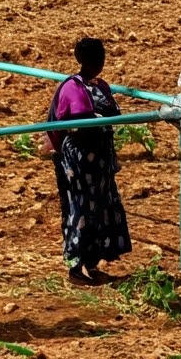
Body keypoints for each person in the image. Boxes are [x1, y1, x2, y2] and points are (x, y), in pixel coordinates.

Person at [46, 37, 132, 288]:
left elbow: (114, 114)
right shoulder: (72, 87)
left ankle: (93, 263)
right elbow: (78, 119)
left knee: (102, 206)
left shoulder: (102, 86)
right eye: (95, 59)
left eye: (101, 59)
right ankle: (75, 266)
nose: (99, 63)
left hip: (101, 160)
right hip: (80, 159)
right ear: (82, 60)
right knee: (81, 207)